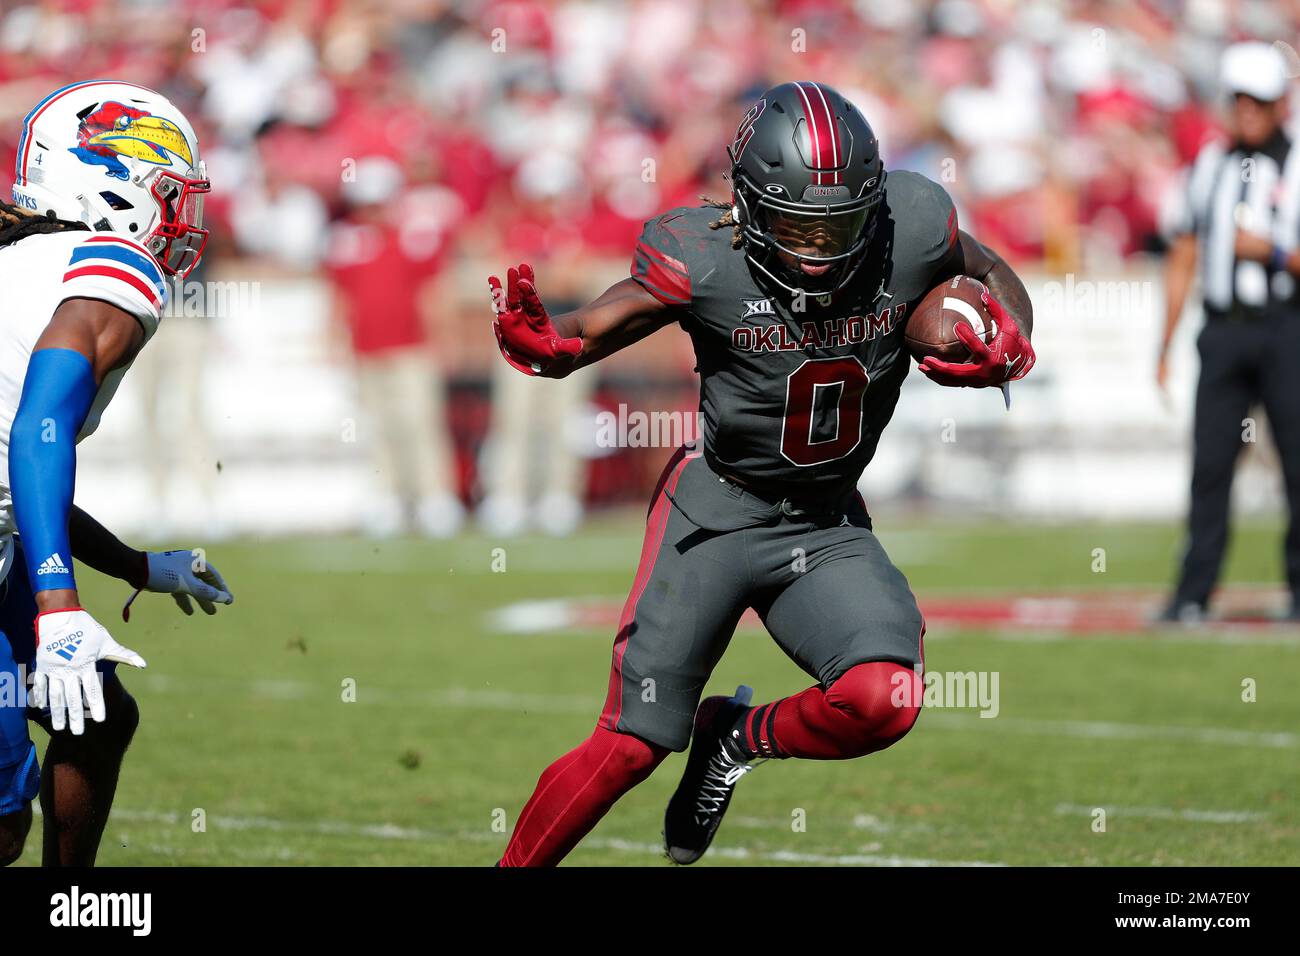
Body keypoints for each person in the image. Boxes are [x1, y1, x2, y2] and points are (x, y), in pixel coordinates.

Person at [487, 81, 1035, 866]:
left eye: (837, 227)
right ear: (745, 204)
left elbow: (987, 266)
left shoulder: (909, 225)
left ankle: (734, 739)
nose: (818, 252)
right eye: (797, 229)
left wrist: (1014, 334)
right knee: (632, 748)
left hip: (826, 523)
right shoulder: (704, 254)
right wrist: (548, 345)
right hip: (716, 512)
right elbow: (594, 327)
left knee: (887, 699)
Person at [0, 81, 233, 866]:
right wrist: (60, 607)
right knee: (2, 823)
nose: (181, 216)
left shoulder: (26, 257)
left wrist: (135, 566)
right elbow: (36, 433)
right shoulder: (109, 264)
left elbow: (22, 480)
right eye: (166, 188)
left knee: (96, 713)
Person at [1157, 43, 1300, 623]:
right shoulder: (1209, 166)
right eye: (1238, 99)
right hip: (1221, 334)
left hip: (1287, 330)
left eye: (1257, 101)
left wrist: (1275, 252)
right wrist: (1164, 341)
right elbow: (1184, 253)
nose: (1245, 111)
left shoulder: (1296, 166)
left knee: (1297, 461)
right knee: (1211, 463)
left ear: (1278, 104)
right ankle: (1193, 593)